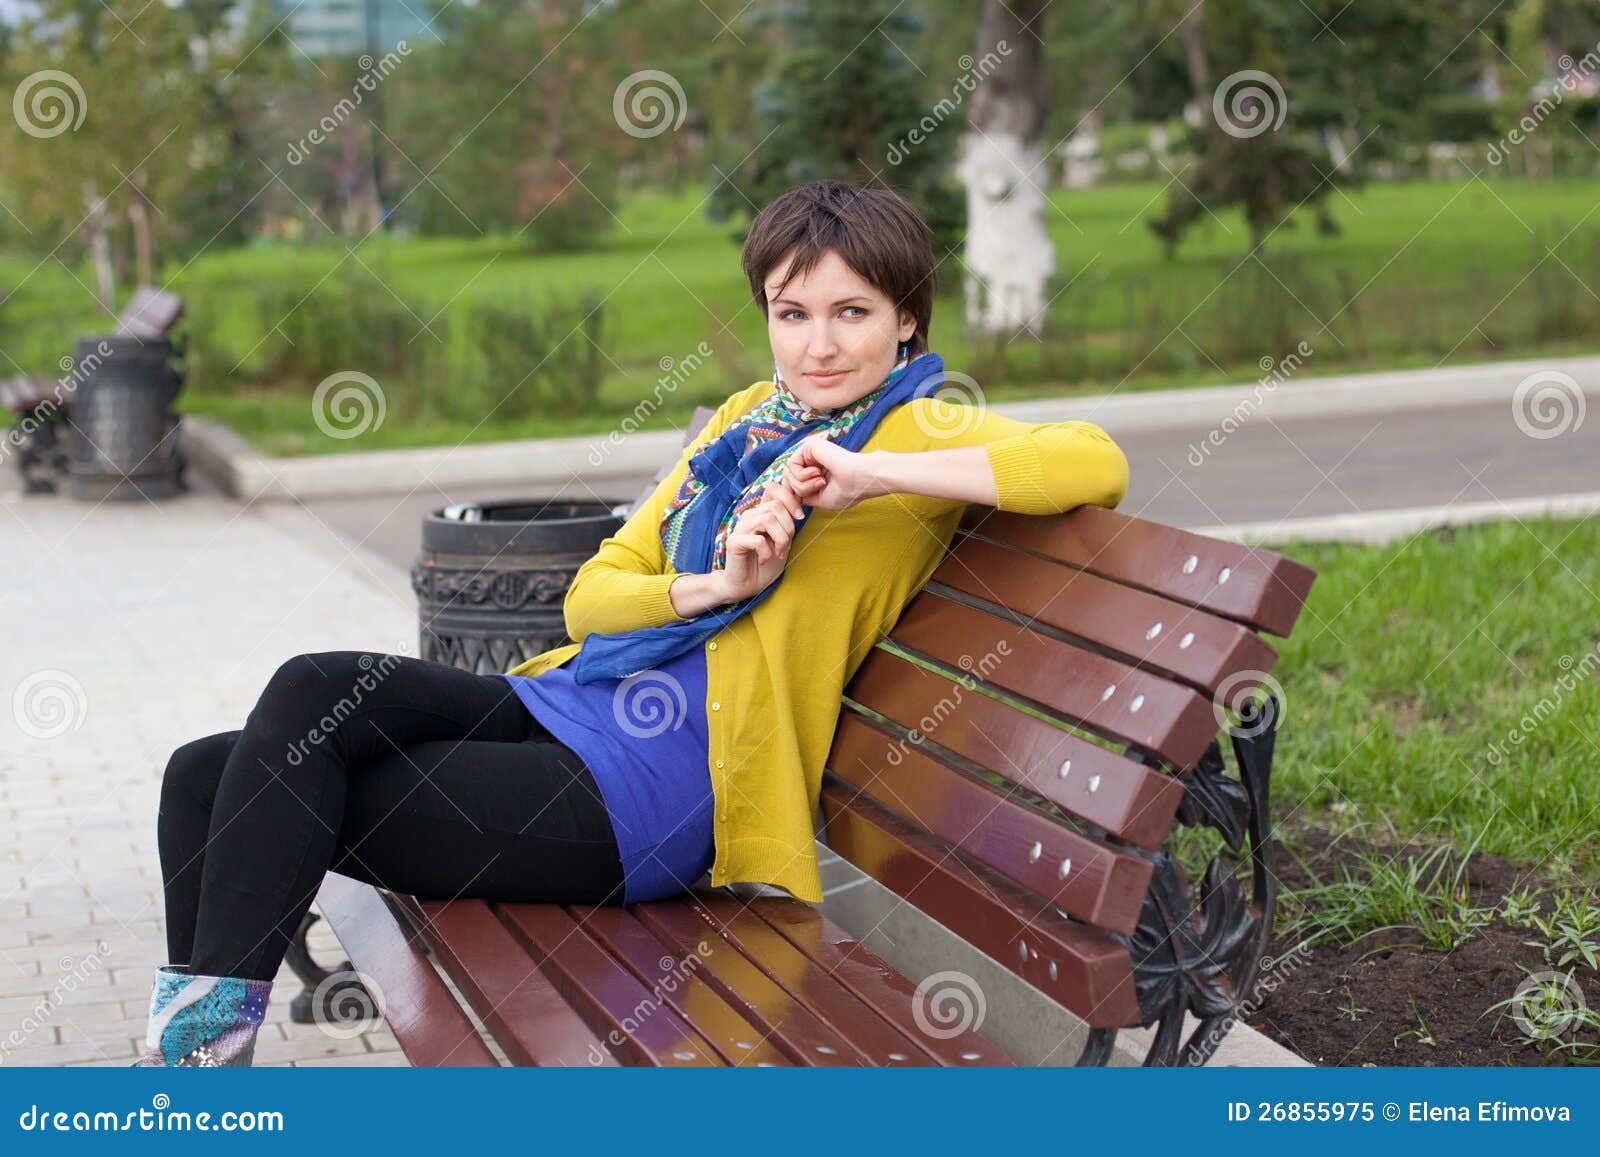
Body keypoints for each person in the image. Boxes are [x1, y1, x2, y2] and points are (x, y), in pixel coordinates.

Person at [136, 179, 1130, 1067]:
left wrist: (867, 474)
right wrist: (713, 585)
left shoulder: (916, 429)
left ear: (906, 321)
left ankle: (190, 1082)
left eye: (851, 313)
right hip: (574, 699)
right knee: (222, 753)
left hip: (651, 792)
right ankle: (197, 1062)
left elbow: (1091, 458)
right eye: (792, 312)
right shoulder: (749, 421)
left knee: (269, 792)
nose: (818, 344)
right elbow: (596, 592)